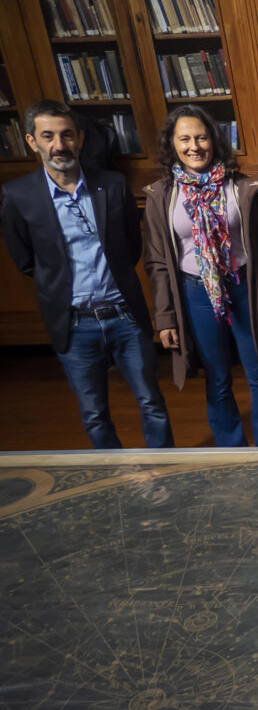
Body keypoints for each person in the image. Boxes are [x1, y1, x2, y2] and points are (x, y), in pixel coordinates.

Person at [1, 100, 173, 449]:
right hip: (74, 323)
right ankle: (111, 476)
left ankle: (167, 470)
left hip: (125, 316)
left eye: (66, 135)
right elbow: (26, 261)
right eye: (47, 136)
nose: (59, 145)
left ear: (79, 138)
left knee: (152, 403)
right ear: (32, 142)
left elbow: (131, 246)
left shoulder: (112, 184)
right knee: (94, 413)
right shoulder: (17, 195)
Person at [143, 105, 258, 447]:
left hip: (244, 287)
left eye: (201, 137)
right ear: (172, 144)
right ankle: (232, 452)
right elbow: (158, 263)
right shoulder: (161, 195)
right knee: (217, 378)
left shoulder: (242, 188)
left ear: (214, 141)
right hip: (195, 293)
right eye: (184, 139)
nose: (194, 146)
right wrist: (165, 317)